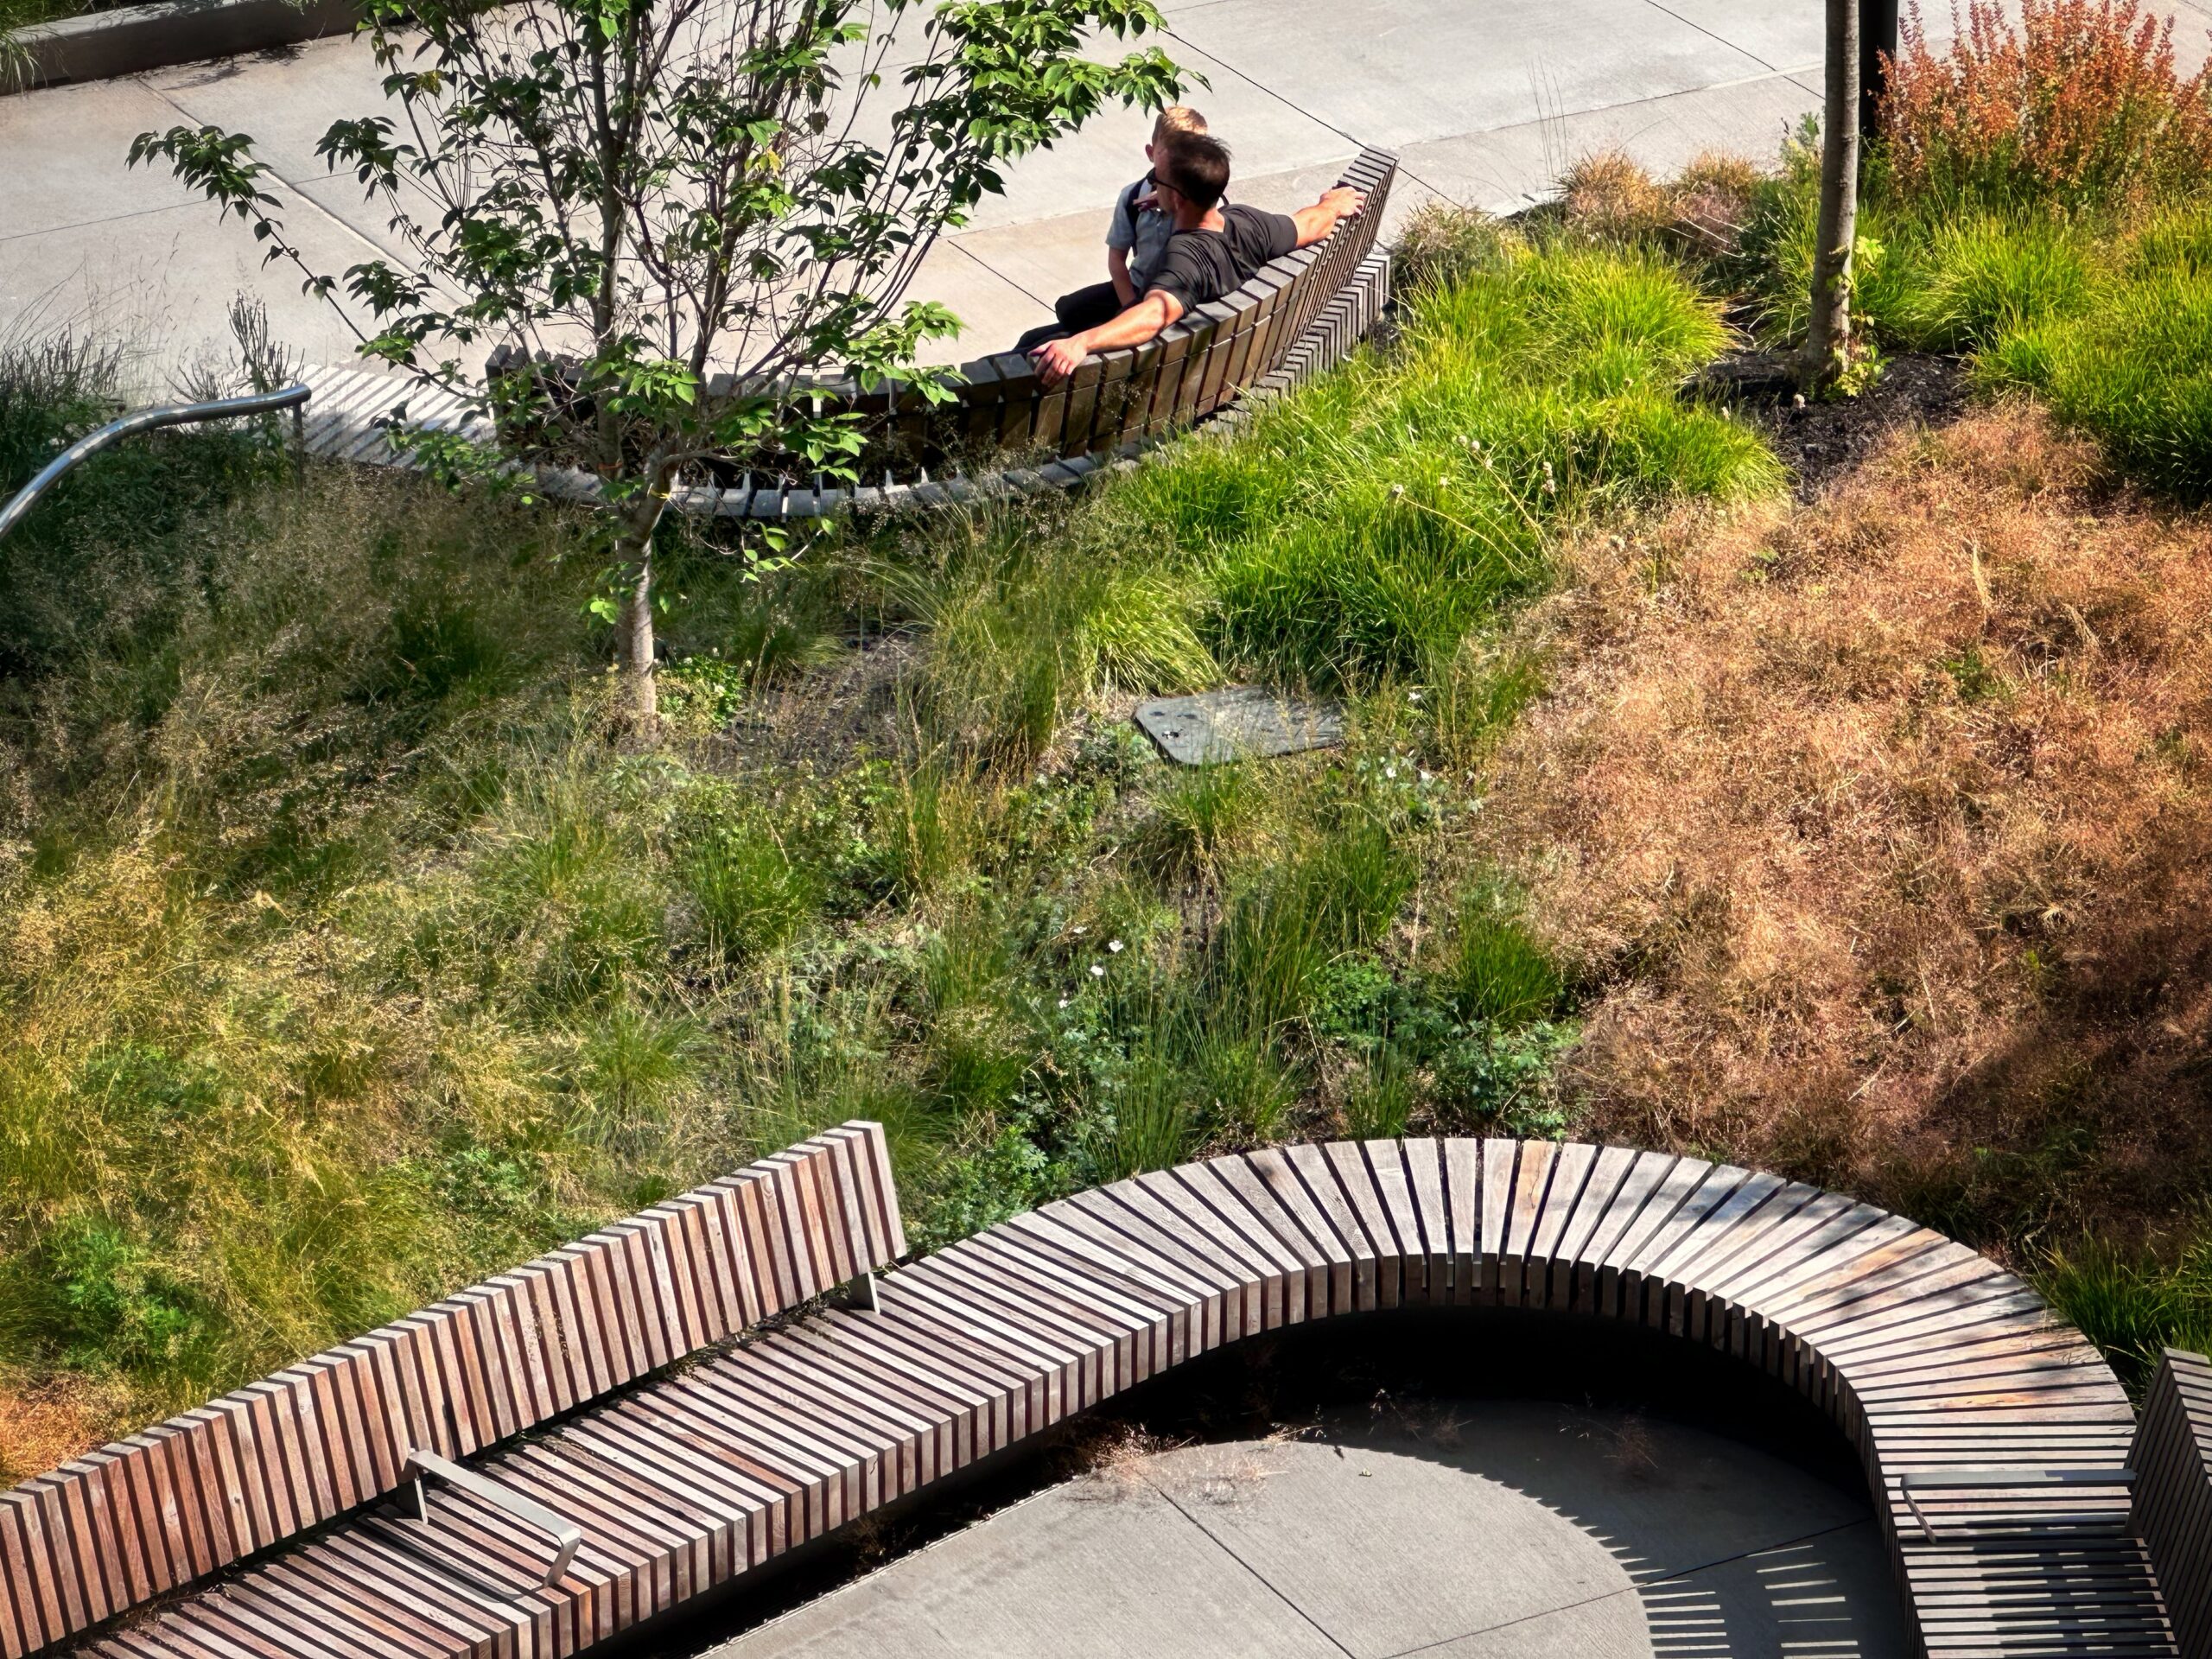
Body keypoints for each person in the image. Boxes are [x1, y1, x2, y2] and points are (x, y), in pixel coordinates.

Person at [1027, 133, 1366, 388]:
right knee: (1064, 314)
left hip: (1154, 376)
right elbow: (1308, 225)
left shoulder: (1185, 257)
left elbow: (1154, 314)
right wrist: (1330, 206)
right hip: (1229, 353)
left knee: (1031, 346)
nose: (1152, 184)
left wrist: (1081, 342)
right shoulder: (1248, 222)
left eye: (1157, 179)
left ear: (1175, 195)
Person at [1014, 106, 1211, 356]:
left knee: (1057, 339)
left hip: (1167, 299)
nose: (1182, 164)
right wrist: (1129, 304)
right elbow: (1116, 259)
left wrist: (1172, 202)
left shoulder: (1203, 202)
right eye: (1174, 154)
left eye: (1192, 155)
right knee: (1065, 311)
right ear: (1151, 153)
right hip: (1134, 288)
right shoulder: (1133, 196)